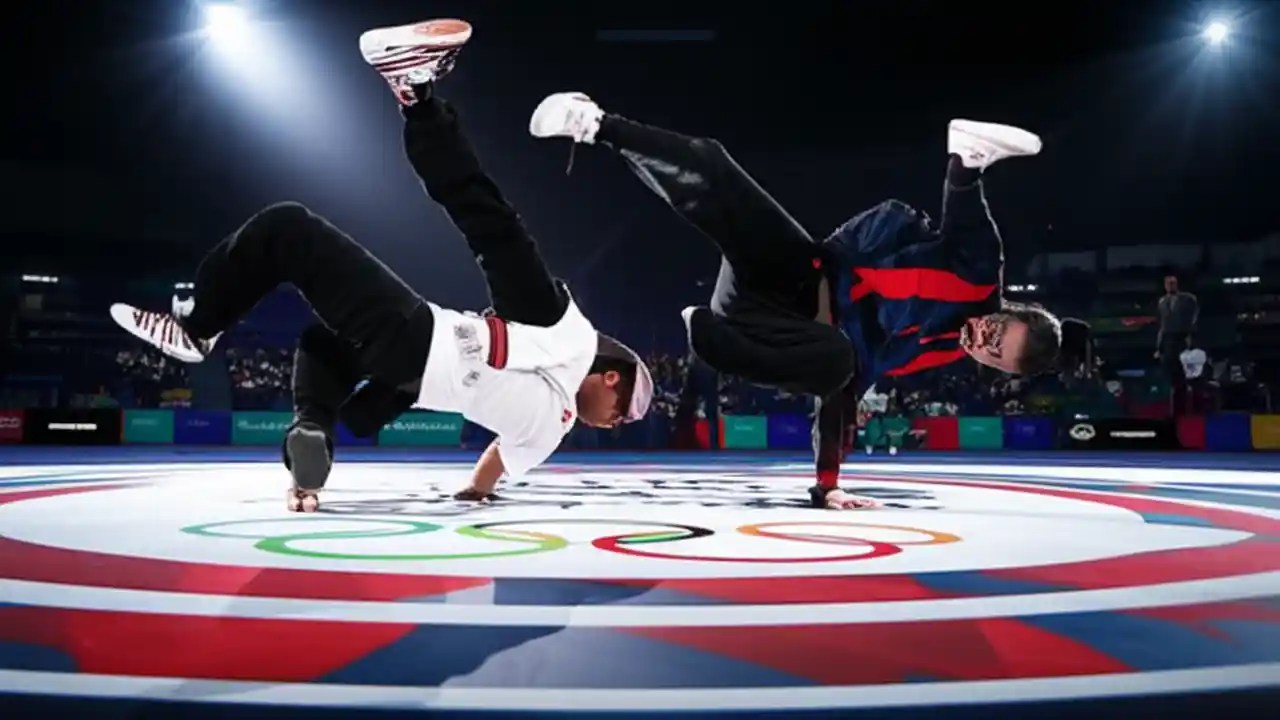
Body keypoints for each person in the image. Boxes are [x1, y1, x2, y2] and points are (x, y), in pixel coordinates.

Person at [110, 19, 652, 512]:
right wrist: (471, 494)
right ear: (611, 377)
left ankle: (197, 327)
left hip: (418, 339)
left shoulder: (556, 404)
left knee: (290, 226)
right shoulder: (557, 402)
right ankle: (313, 435)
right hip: (409, 373)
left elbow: (497, 234)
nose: (615, 424)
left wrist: (476, 487)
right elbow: (493, 467)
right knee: (326, 341)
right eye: (622, 411)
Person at [527, 92, 1062, 509]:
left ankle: (714, 344)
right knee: (715, 171)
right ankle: (596, 126)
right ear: (1006, 307)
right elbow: (964, 195)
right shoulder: (975, 270)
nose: (982, 343)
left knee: (838, 364)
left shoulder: (943, 352)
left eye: (992, 355)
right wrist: (968, 162)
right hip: (801, 275)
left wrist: (827, 484)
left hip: (783, 334)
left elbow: (848, 390)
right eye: (996, 333)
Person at [1155, 274, 1199, 415]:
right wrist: (1158, 346)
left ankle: (1188, 407)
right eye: (1168, 283)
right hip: (1168, 341)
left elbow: (1194, 317)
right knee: (1170, 376)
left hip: (1182, 339)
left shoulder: (1188, 299)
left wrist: (1190, 335)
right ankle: (1172, 408)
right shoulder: (1162, 302)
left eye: (1173, 283)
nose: (1170, 286)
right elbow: (1162, 324)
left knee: (1185, 376)